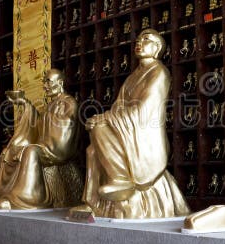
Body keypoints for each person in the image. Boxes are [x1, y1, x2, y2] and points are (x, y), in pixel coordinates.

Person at [77, 29, 189, 219]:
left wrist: (106, 119)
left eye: (146, 39)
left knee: (100, 127)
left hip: (145, 133)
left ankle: (120, 179)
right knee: (92, 149)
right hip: (127, 129)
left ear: (157, 47)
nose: (139, 42)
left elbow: (145, 110)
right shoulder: (132, 77)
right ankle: (92, 201)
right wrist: (106, 117)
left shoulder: (159, 72)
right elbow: (117, 108)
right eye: (138, 39)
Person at [0, 70, 82, 210]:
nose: (45, 85)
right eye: (44, 82)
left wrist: (48, 120)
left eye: (48, 81)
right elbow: (38, 123)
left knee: (31, 151)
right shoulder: (51, 105)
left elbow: (67, 128)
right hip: (44, 145)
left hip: (56, 149)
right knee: (9, 151)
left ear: (60, 83)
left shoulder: (69, 102)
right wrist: (25, 103)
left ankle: (28, 197)